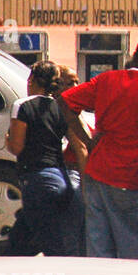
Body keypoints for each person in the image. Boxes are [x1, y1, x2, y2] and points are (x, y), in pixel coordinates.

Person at [59, 37, 138, 261]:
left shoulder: (106, 80)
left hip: (98, 175)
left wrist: (87, 140)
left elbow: (65, 103)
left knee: (99, 249)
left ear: (134, 56)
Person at [4, 60, 74, 256]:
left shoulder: (22, 106)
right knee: (18, 241)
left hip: (36, 181)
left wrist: (7, 139)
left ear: (31, 80)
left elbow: (17, 147)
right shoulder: (61, 107)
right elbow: (76, 143)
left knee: (53, 247)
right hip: (61, 179)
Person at [53, 66, 89, 257]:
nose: (75, 86)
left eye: (76, 81)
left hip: (71, 174)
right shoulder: (64, 110)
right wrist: (85, 185)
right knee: (74, 232)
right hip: (73, 175)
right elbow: (81, 149)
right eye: (69, 83)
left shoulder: (76, 110)